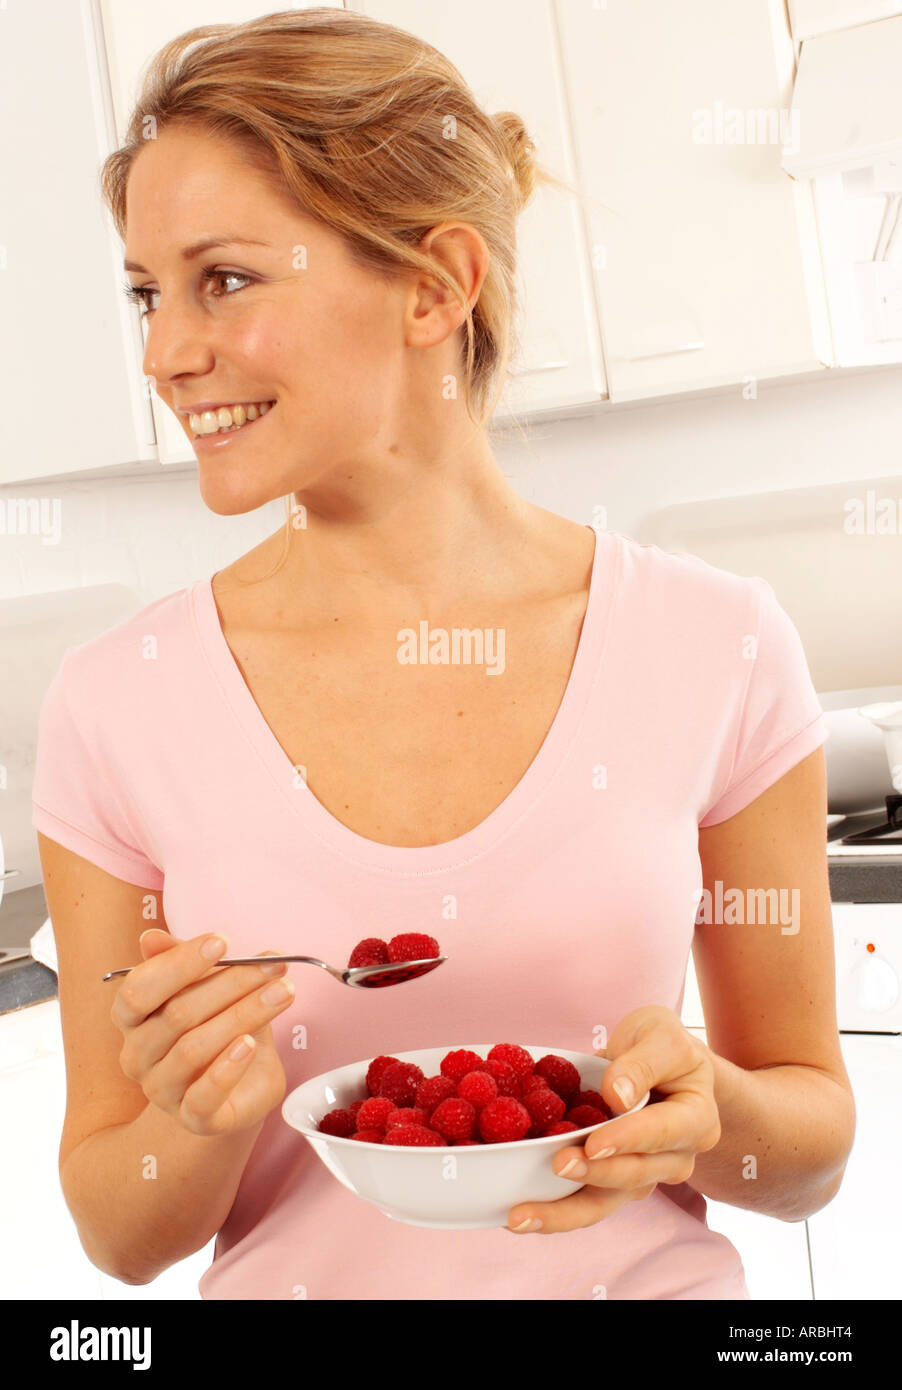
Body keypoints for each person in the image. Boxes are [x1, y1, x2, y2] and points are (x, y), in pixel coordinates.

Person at [32, 9, 854, 1300]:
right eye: (147, 292)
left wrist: (713, 1113)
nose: (164, 353)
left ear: (434, 284)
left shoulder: (718, 644)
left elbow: (806, 1154)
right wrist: (200, 1114)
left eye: (225, 278)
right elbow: (119, 1232)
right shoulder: (113, 708)